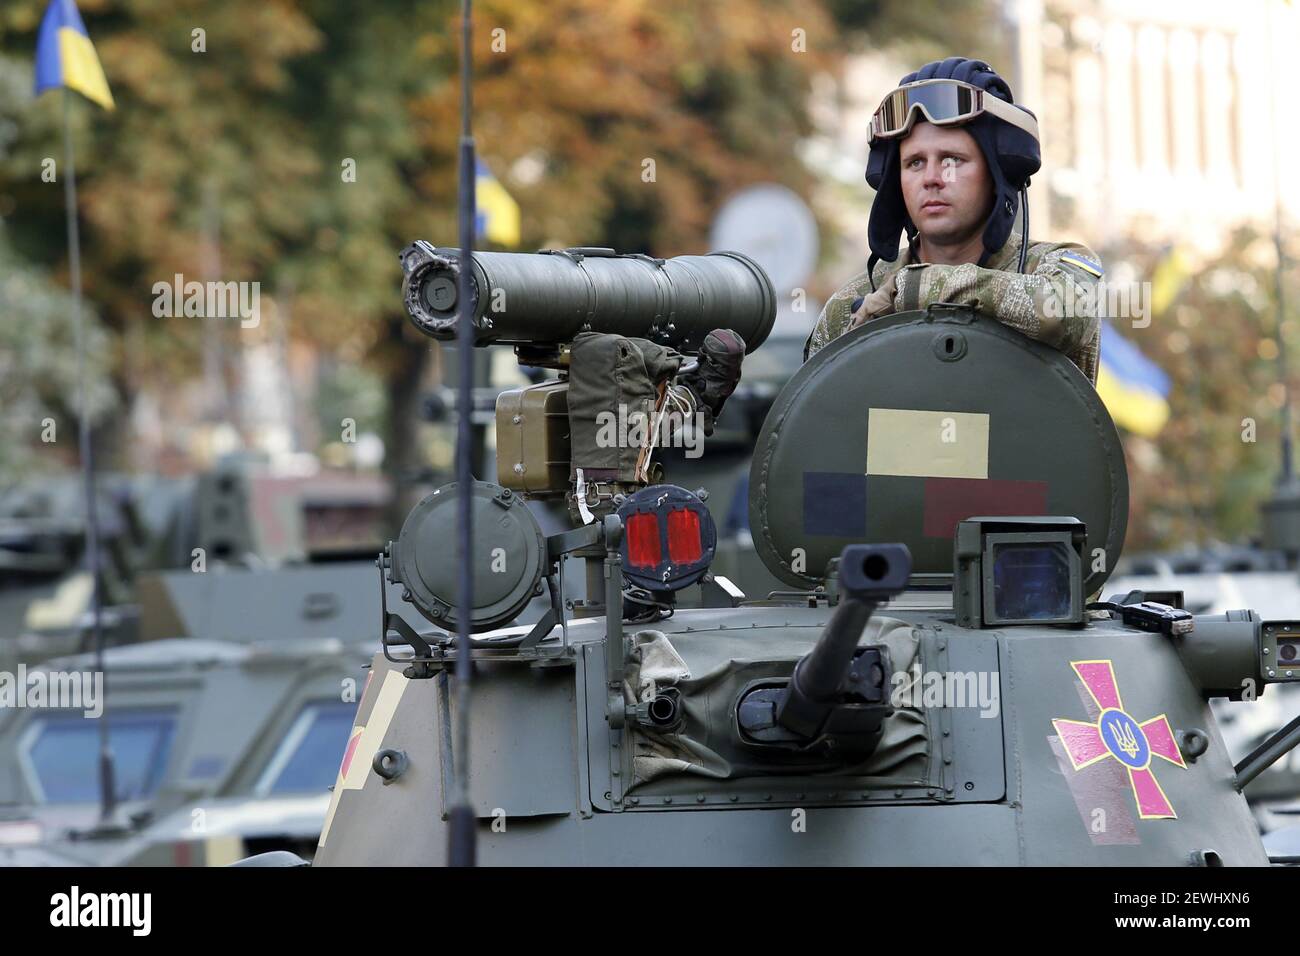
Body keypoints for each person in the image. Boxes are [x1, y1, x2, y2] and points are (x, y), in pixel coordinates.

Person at [805, 57, 1105, 385]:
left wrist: (915, 288)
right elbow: (811, 415)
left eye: (952, 160)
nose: (931, 178)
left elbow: (1066, 314)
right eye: (915, 163)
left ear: (996, 174)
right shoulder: (855, 302)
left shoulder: (1052, 270)